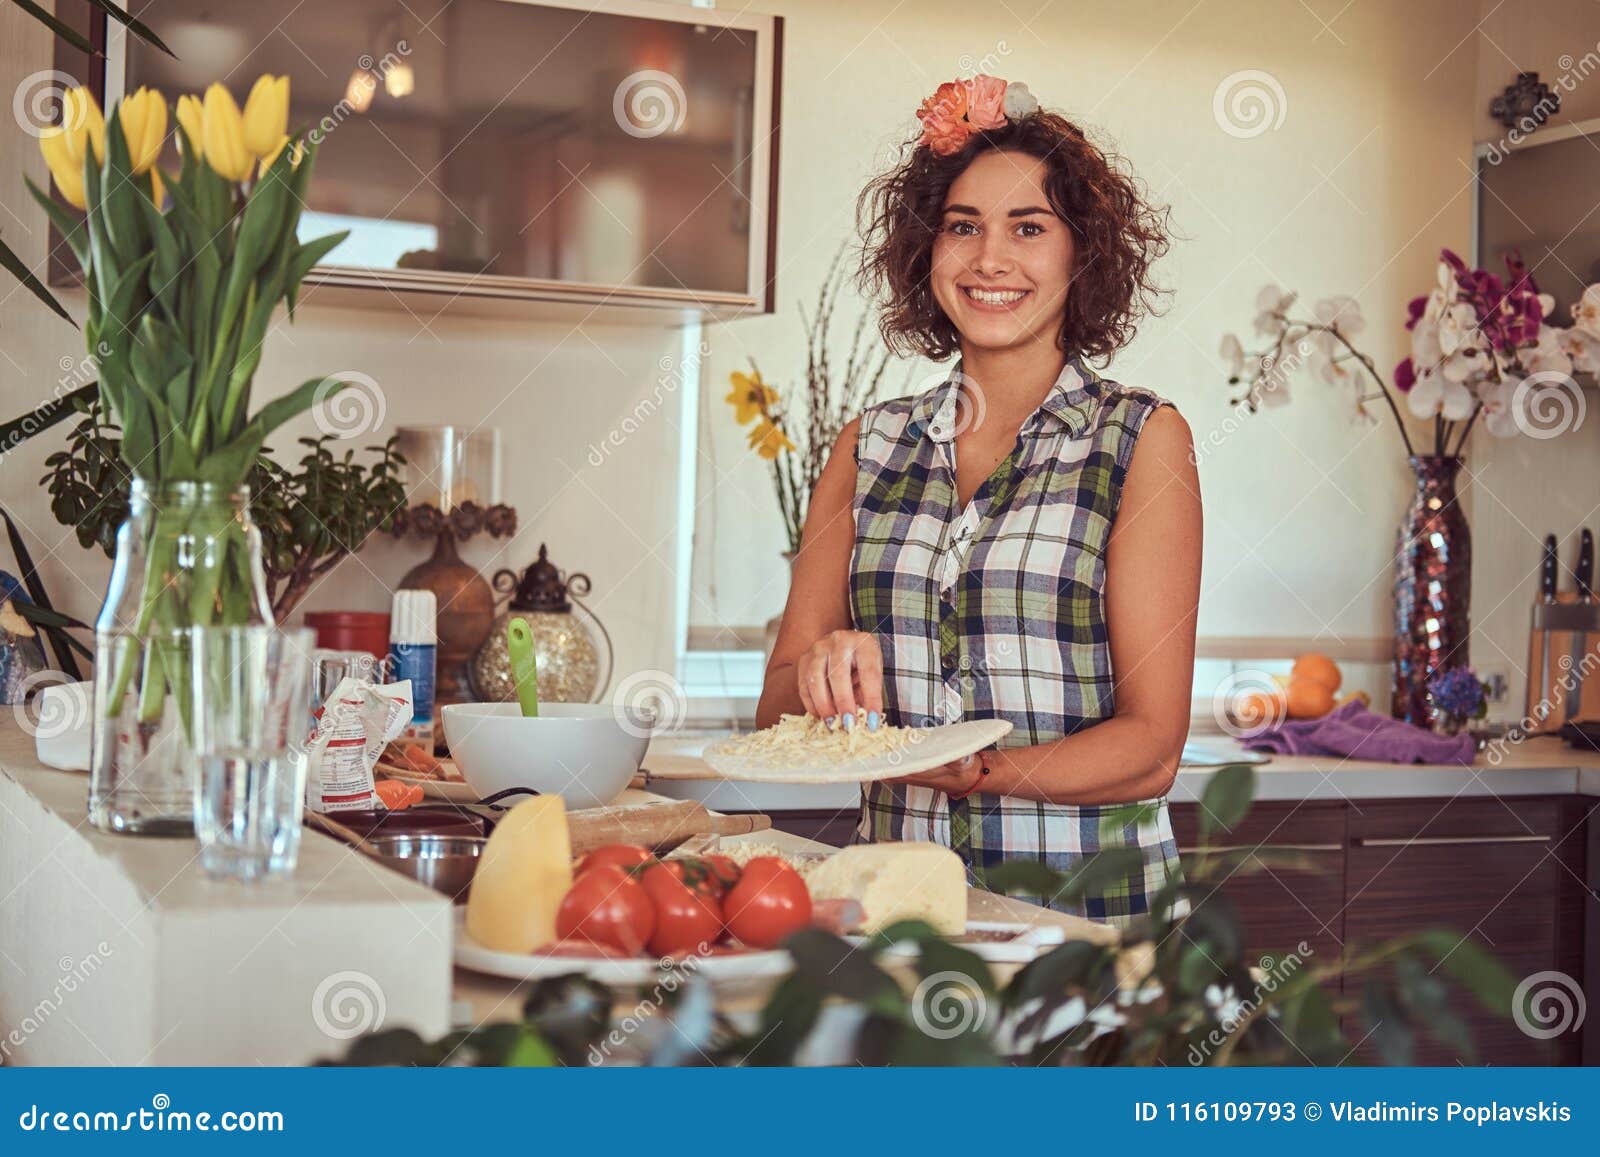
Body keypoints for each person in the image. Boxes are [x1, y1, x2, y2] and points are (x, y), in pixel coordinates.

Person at [755, 76, 1202, 925]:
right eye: (963, 227)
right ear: (928, 250)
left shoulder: (1140, 440)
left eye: (1028, 228)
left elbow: (1151, 749)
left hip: (1089, 921)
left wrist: (978, 772)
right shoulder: (868, 446)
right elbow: (775, 703)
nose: (990, 259)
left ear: (1083, 255)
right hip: (899, 917)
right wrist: (820, 681)